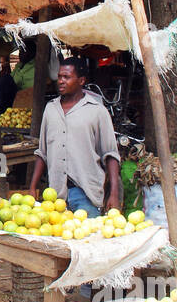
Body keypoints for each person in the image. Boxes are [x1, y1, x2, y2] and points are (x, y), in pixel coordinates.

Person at [28, 59, 121, 216]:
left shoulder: (97, 111)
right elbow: (42, 153)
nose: (61, 81)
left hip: (86, 193)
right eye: (59, 77)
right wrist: (32, 187)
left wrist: (114, 194)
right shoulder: (51, 109)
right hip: (56, 194)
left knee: (87, 237)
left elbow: (111, 155)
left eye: (67, 77)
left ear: (81, 80)